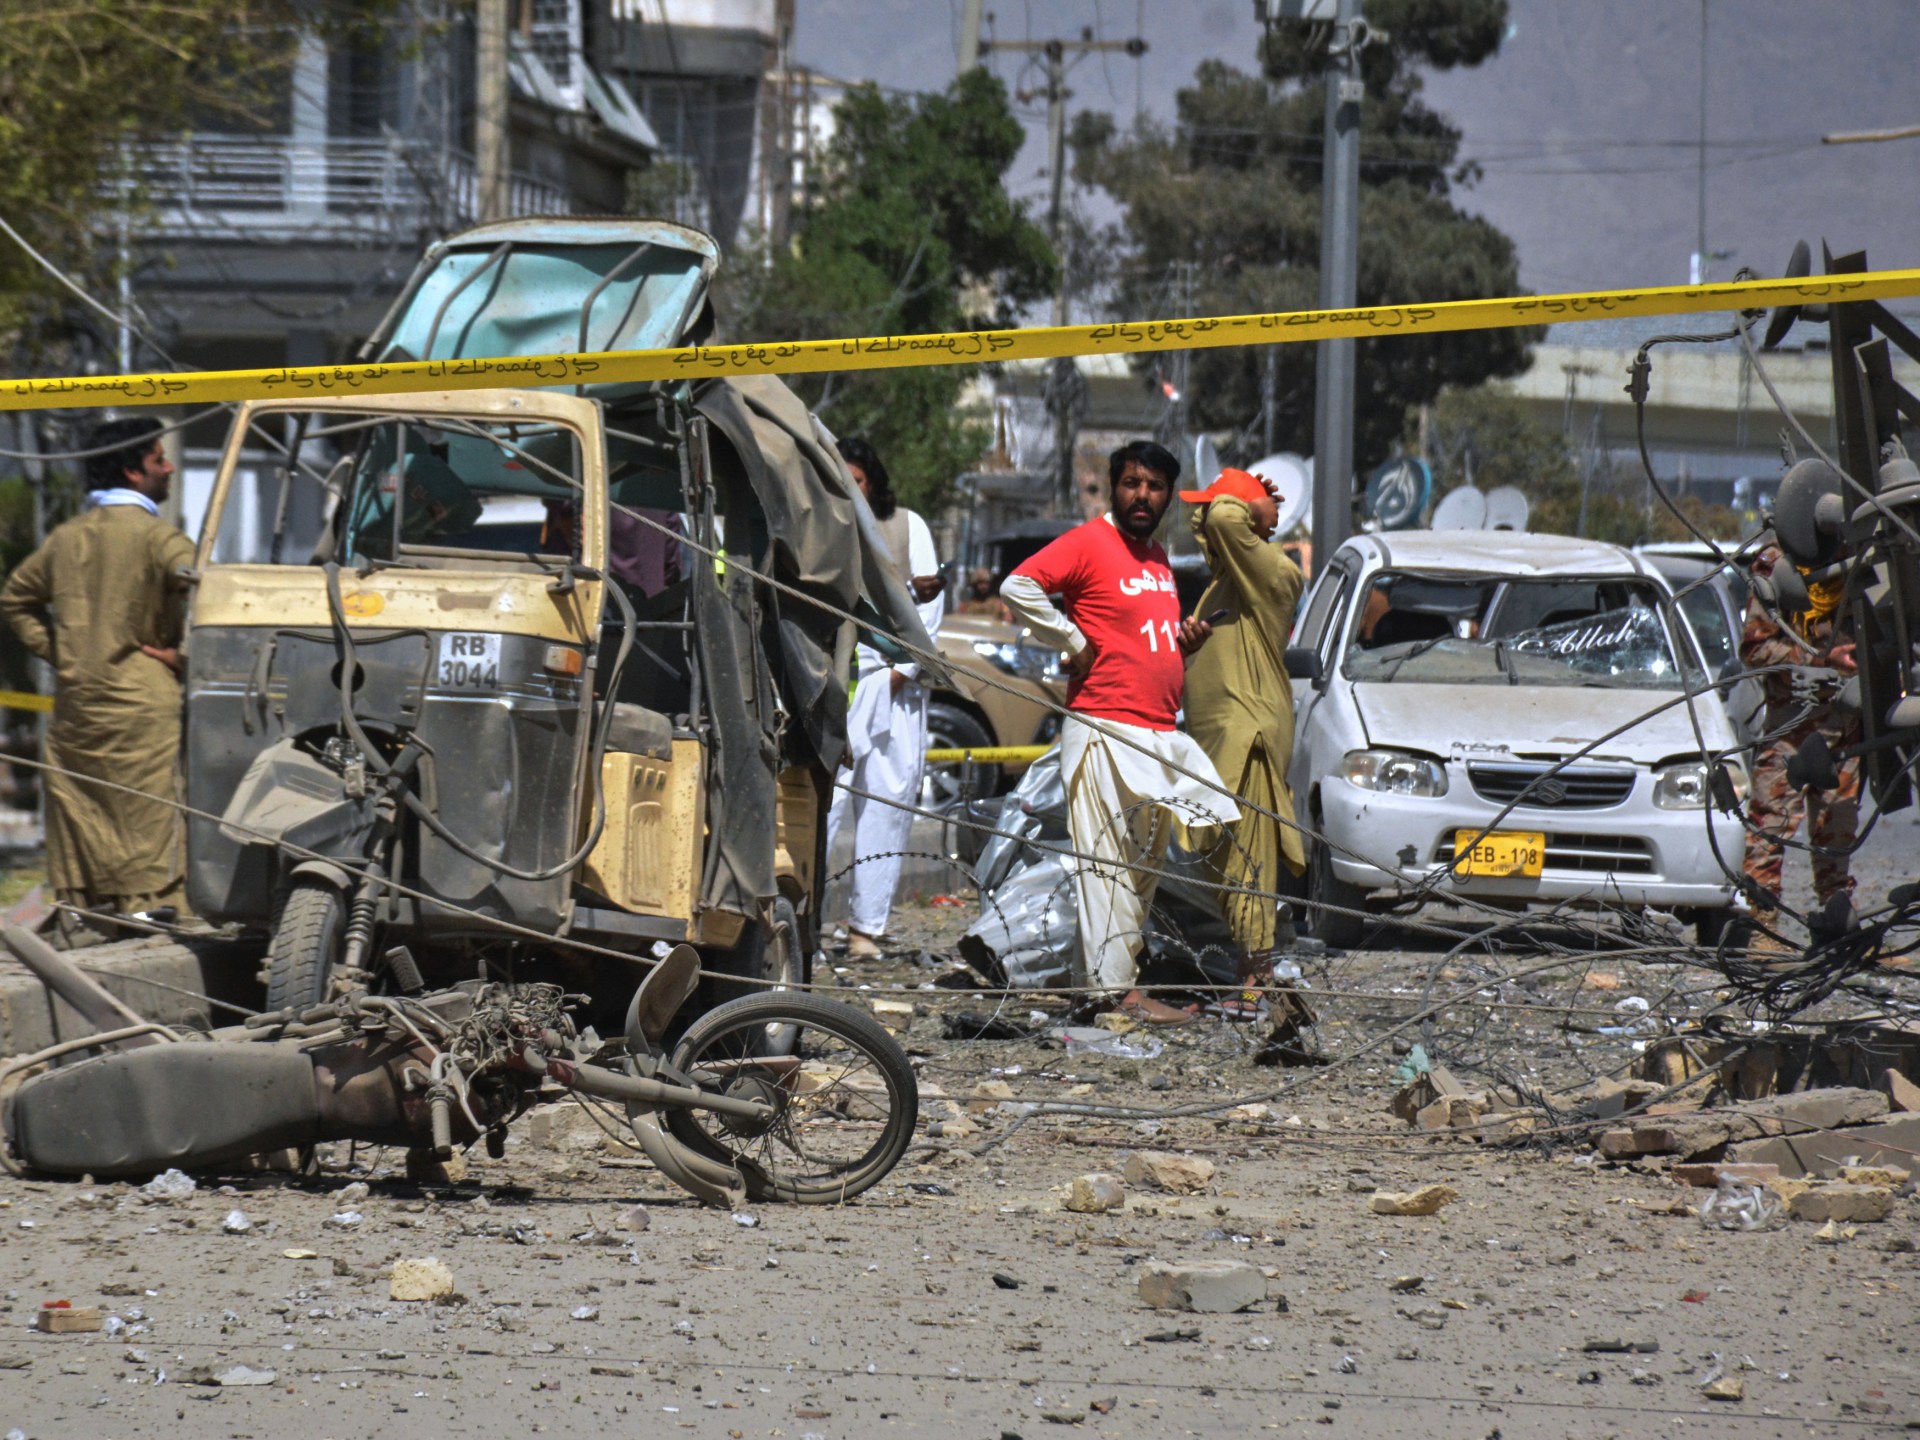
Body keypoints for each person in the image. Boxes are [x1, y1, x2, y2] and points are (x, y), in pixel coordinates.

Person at [1000, 440, 1237, 1023]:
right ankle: (1118, 996)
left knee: (1141, 867)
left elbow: (1141, 633)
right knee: (1106, 865)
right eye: (1132, 483)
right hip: (1104, 727)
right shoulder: (1089, 542)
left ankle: (1102, 987)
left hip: (1156, 731)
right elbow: (1018, 587)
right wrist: (1073, 643)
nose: (1142, 495)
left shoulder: (1157, 556)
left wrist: (1181, 643)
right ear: (1113, 485)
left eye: (1154, 487)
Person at [0, 418, 197, 946]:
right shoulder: (160, 537)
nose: (171, 467)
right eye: (160, 459)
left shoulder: (66, 538)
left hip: (75, 703)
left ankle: (89, 914)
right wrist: (181, 656)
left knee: (85, 807)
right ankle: (149, 913)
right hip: (142, 703)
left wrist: (64, 652)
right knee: (149, 811)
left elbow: (15, 598)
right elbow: (206, 587)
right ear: (134, 471)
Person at [1180, 467, 1307, 978]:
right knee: (1228, 864)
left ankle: (1257, 980)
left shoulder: (1274, 574)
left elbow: (1222, 519)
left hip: (1247, 736)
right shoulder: (1221, 588)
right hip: (1218, 742)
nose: (1202, 519)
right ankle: (1250, 970)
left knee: (1249, 861)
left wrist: (1252, 505)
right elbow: (1214, 520)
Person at [825, 436, 944, 959]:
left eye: (857, 479)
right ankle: (801, 916)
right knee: (823, 807)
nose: (848, 488)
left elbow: (926, 604)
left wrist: (903, 670)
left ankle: (864, 930)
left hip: (892, 687)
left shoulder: (905, 526)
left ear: (871, 482)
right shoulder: (820, 526)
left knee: (884, 808)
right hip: (835, 684)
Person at [1739, 544, 1861, 941]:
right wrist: (1819, 659)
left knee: (1837, 831)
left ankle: (1837, 931)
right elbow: (1755, 648)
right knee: (1769, 827)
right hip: (1791, 723)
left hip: (1844, 723)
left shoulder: (1860, 557)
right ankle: (1762, 931)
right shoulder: (1779, 566)